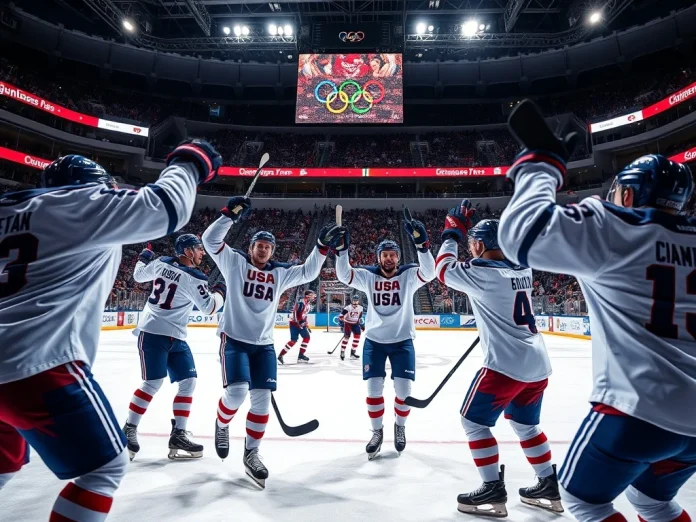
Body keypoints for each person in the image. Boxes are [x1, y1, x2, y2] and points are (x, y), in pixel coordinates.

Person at [0, 140, 221, 520]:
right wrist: (191, 160)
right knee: (105, 468)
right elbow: (168, 207)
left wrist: (152, 259)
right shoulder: (79, 203)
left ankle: (162, 429)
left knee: (3, 463)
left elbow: (138, 273)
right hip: (36, 360)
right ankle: (148, 429)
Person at [498, 110, 696, 522]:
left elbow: (519, 234)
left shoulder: (616, 227)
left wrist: (541, 163)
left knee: (583, 500)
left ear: (627, 195)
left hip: (639, 408)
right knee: (653, 502)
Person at [201, 197, 341, 488]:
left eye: (268, 247)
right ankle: (221, 423)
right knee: (237, 394)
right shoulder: (234, 261)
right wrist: (229, 215)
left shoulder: (279, 273)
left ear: (272, 251)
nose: (263, 250)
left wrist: (321, 247)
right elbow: (209, 239)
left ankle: (252, 453)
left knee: (261, 402)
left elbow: (308, 271)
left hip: (263, 345)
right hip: (234, 340)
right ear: (250, 248)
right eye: (259, 246)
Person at [435, 208, 561, 517]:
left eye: (472, 243)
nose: (470, 248)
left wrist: (452, 232)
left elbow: (443, 270)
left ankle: (491, 488)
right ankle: (547, 483)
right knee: (526, 425)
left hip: (506, 365)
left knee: (473, 422)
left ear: (479, 244)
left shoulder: (482, 272)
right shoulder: (522, 269)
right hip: (537, 363)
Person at [335, 217, 436, 459]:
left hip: (402, 341)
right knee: (373, 390)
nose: (389, 258)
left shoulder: (408, 275)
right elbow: (343, 276)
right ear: (378, 257)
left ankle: (399, 427)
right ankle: (377, 432)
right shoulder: (369, 276)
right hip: (375, 342)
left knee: (403, 390)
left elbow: (430, 272)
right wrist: (341, 252)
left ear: (398, 258)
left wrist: (423, 246)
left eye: (393, 255)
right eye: (385, 255)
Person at [122, 234, 226, 461]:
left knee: (188, 381)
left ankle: (179, 433)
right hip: (157, 334)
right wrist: (220, 291)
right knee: (153, 383)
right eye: (199, 249)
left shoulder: (160, 263)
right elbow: (209, 308)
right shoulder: (193, 277)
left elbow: (139, 275)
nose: (202, 253)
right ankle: (129, 428)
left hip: (171, 335)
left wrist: (143, 256)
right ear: (188, 251)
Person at [278, 290, 316, 365]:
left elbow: (303, 315)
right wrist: (300, 323)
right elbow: (297, 313)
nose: (313, 296)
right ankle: (296, 355)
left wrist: (306, 324)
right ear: (307, 296)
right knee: (295, 340)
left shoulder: (307, 304)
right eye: (312, 295)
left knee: (304, 338)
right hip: (295, 323)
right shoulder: (301, 303)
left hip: (298, 322)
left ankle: (297, 355)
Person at [337, 294, 364, 361]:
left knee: (357, 338)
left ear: (358, 301)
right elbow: (341, 315)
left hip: (356, 324)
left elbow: (359, 317)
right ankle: (342, 352)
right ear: (352, 300)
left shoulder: (361, 308)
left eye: (356, 300)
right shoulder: (348, 308)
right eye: (354, 300)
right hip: (348, 324)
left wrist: (361, 325)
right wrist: (341, 319)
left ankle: (353, 353)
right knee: (346, 338)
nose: (355, 302)